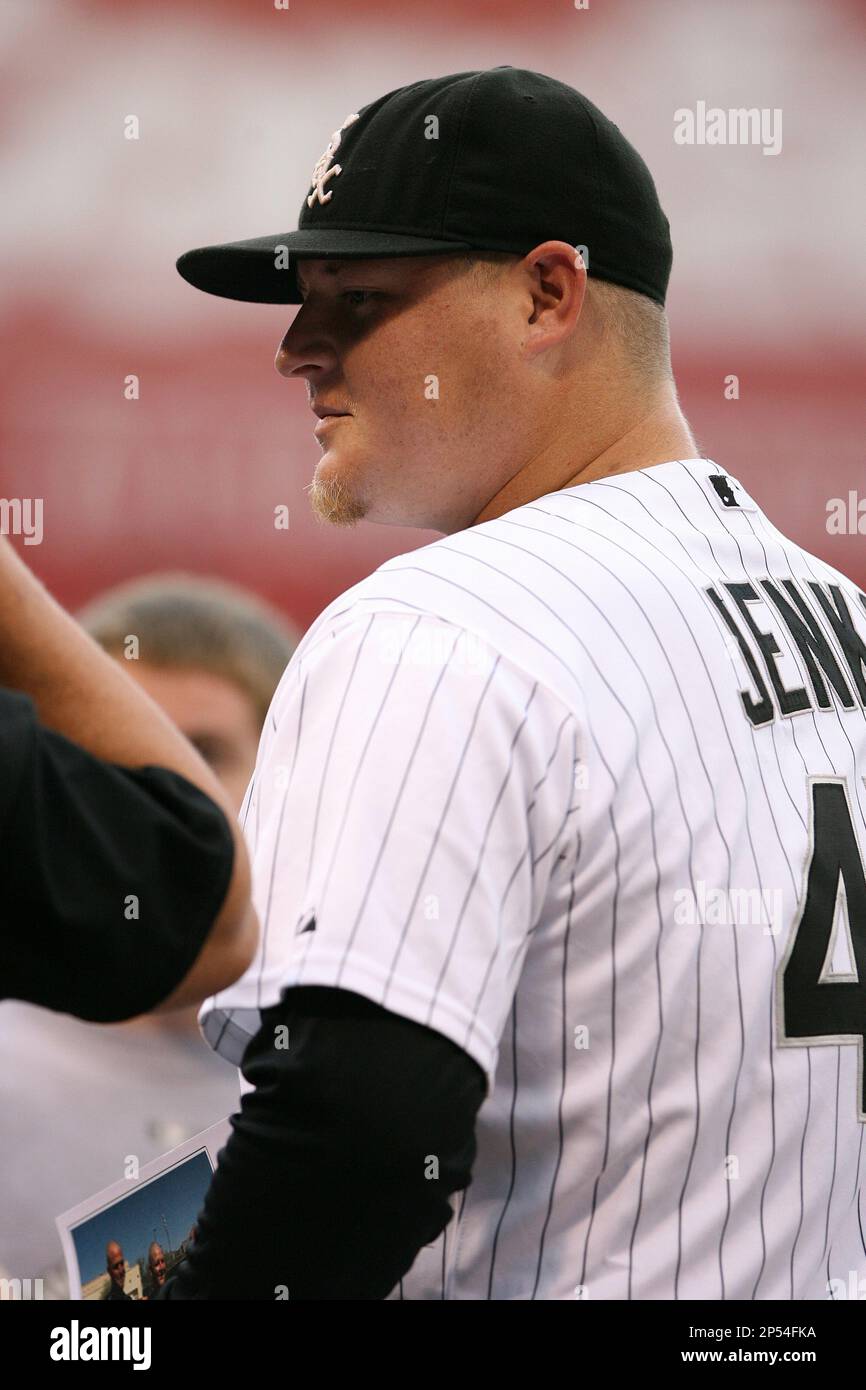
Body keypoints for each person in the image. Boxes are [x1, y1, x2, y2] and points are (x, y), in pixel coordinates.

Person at [164, 66, 866, 1300]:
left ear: (549, 293)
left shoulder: (439, 628)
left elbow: (354, 1132)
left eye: (358, 296)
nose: (294, 350)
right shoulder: (847, 622)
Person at [0, 573, 296, 1294]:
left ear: (290, 775)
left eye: (201, 757)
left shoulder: (362, 1068)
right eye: (114, 764)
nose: (152, 807)